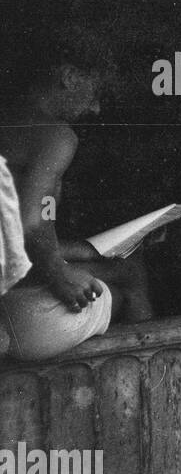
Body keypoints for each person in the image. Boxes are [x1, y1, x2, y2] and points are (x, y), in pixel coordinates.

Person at [0, 36, 152, 361]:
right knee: (133, 275)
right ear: (70, 77)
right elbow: (28, 221)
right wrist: (59, 274)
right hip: (19, 321)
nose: (95, 109)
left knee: (114, 265)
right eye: (96, 94)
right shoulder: (56, 136)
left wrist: (82, 249)